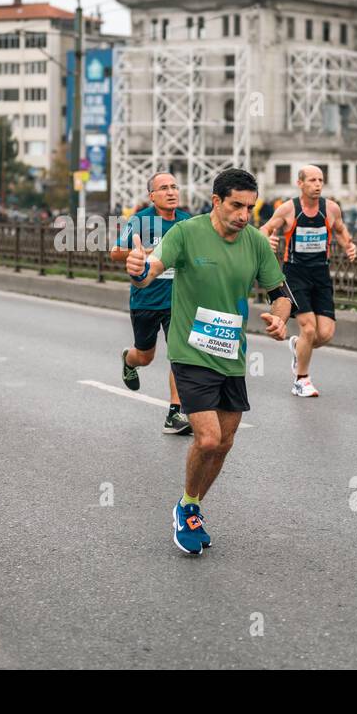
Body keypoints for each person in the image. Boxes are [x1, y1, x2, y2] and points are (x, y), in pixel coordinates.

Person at [126, 168, 294, 555]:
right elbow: (153, 268)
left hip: (230, 354)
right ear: (216, 201)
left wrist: (280, 316)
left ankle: (191, 506)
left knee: (225, 442)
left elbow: (279, 291)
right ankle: (186, 507)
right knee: (208, 437)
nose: (243, 214)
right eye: (236, 205)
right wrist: (139, 271)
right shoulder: (186, 232)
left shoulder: (254, 242)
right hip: (190, 350)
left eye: (250, 207)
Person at [259, 165, 357, 397]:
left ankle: (298, 347)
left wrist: (349, 246)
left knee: (326, 333)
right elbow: (265, 228)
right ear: (300, 183)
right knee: (309, 328)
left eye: (320, 180)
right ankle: (301, 380)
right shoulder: (288, 209)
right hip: (295, 274)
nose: (317, 184)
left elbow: (341, 230)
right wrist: (268, 240)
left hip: (321, 274)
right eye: (312, 180)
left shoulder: (331, 208)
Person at [109, 171, 193, 435]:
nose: (171, 192)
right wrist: (140, 252)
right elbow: (114, 253)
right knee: (145, 355)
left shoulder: (187, 222)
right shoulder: (141, 221)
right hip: (145, 299)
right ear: (152, 196)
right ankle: (129, 360)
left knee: (180, 355)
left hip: (177, 299)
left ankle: (175, 413)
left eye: (174, 187)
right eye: (164, 188)